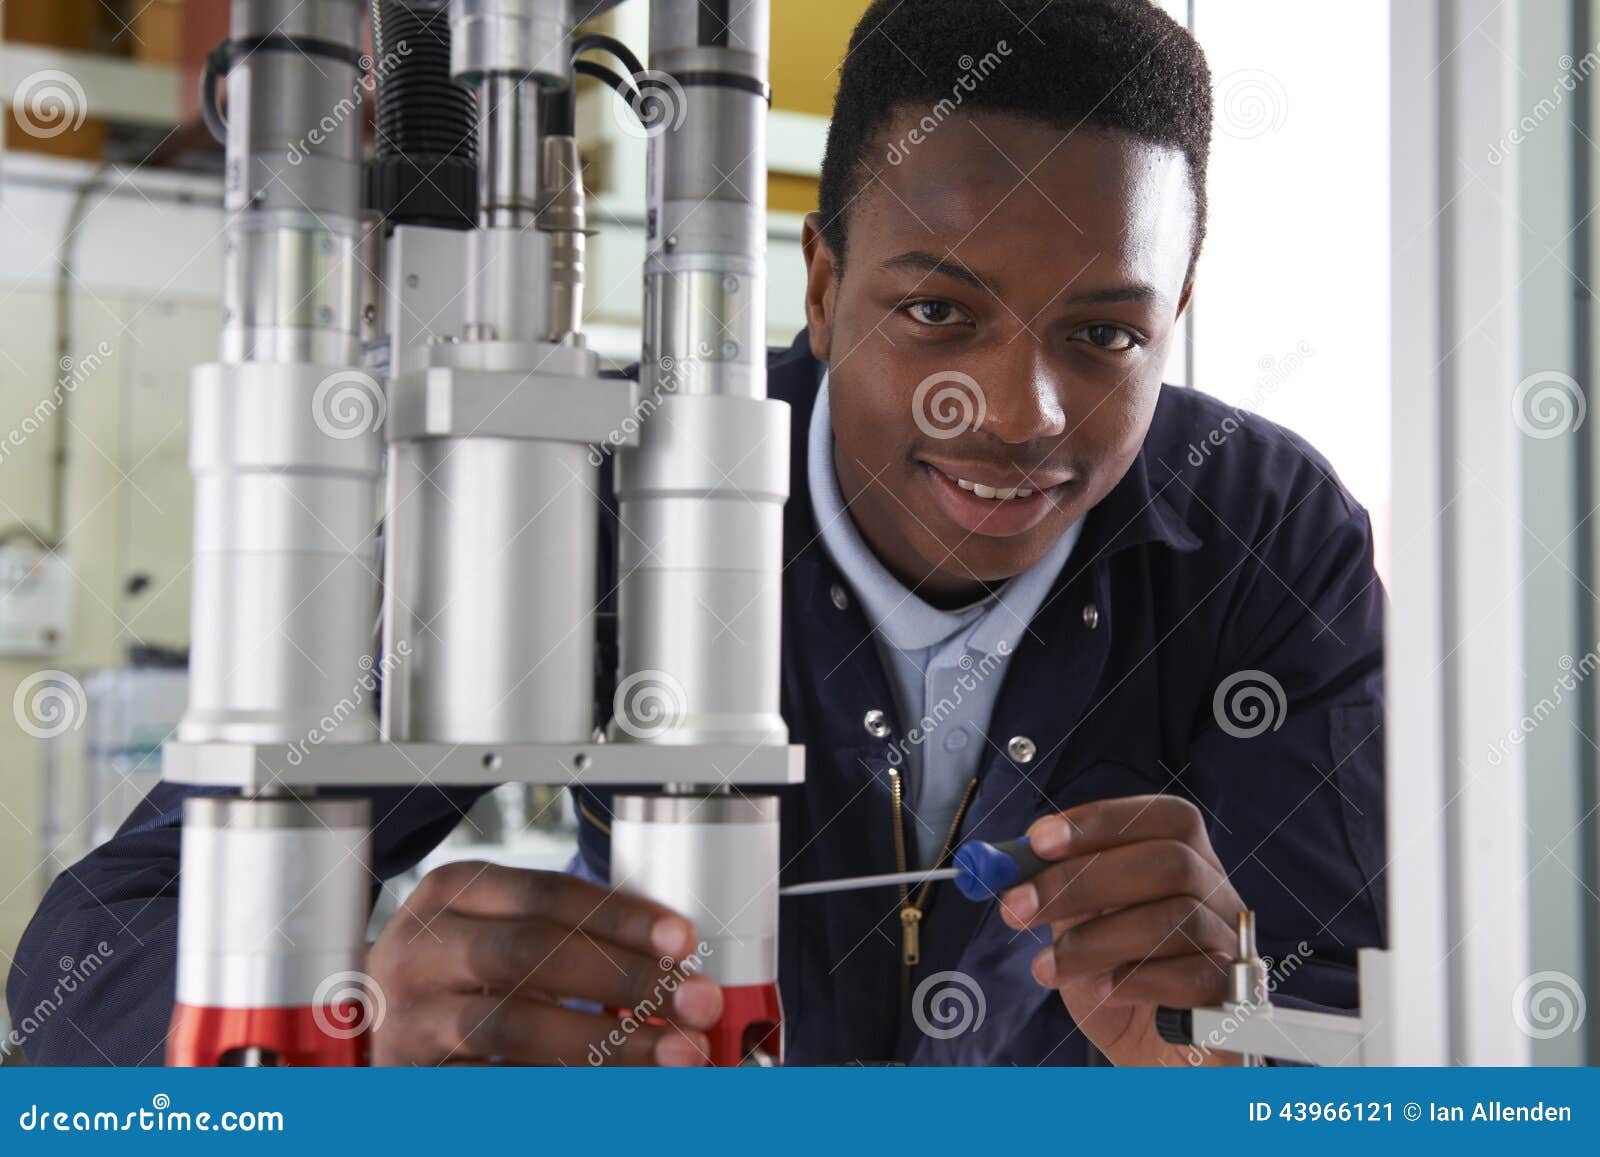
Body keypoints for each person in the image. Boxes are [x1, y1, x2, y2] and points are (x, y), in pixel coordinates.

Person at [7, 0, 1385, 1067]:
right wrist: (342, 1017)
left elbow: (1380, 1051)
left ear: (1178, 311)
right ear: (822, 280)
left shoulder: (1269, 535)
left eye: (1105, 335)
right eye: (937, 312)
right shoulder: (592, 483)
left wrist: (1229, 1043)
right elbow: (87, 956)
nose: (1016, 411)